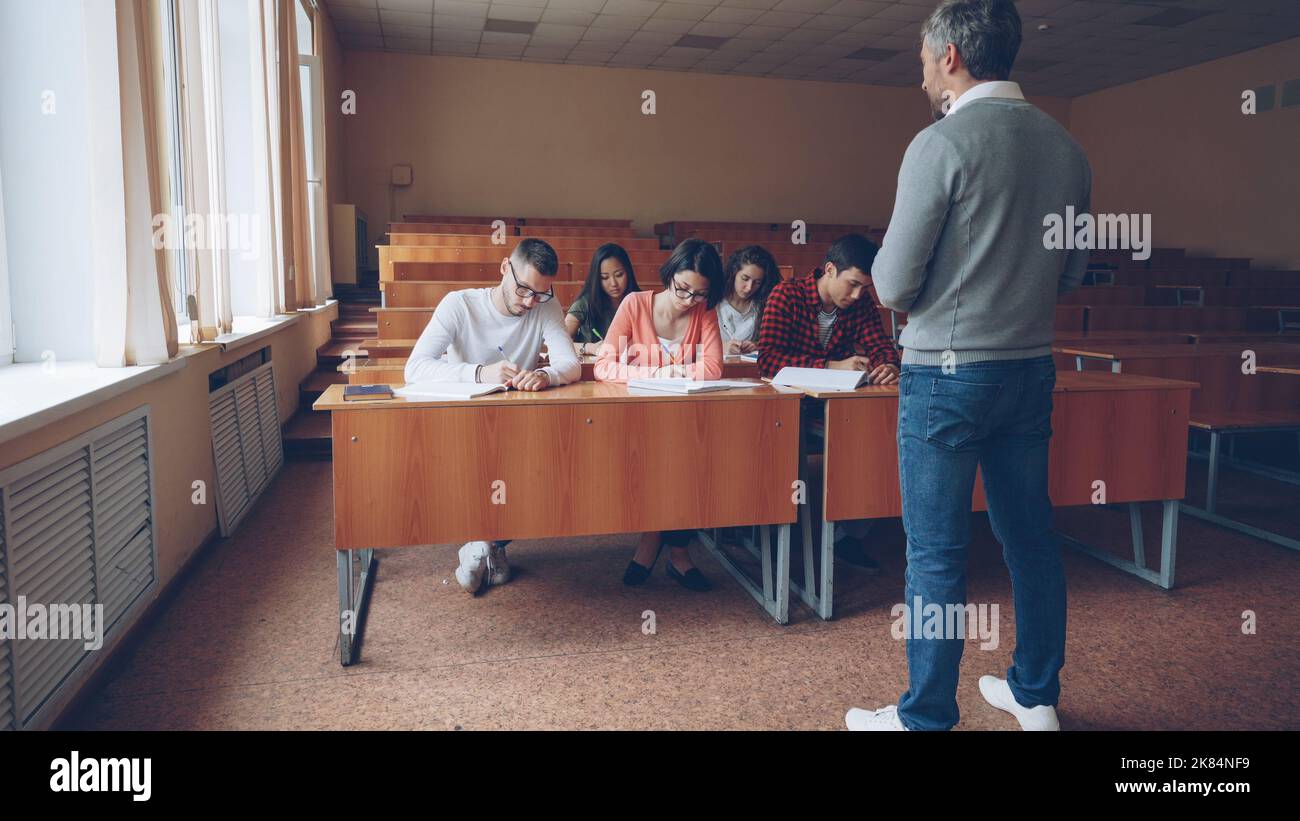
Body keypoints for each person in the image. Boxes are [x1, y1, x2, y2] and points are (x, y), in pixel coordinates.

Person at [845, 0, 1091, 732]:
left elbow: (889, 284)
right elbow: (1072, 275)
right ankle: (1036, 695)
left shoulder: (939, 143)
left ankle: (926, 717)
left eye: (924, 57)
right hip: (1029, 371)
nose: (921, 70)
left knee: (937, 555)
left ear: (950, 54)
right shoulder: (1067, 149)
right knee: (1031, 538)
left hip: (945, 376)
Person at [404, 238, 582, 595]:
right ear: (504, 267)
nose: (529, 301)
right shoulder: (460, 304)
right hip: (463, 421)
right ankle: (487, 544)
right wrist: (479, 373)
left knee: (535, 472)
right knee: (488, 468)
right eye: (523, 290)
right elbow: (415, 369)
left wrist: (546, 375)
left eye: (540, 294)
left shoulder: (543, 306)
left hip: (517, 424)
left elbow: (570, 364)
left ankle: (485, 545)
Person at [758, 233, 900, 571]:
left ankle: (849, 534)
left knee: (877, 439)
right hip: (788, 409)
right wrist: (830, 366)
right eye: (852, 284)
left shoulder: (860, 305)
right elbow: (770, 363)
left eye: (864, 288)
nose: (856, 295)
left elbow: (880, 345)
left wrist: (887, 365)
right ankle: (783, 531)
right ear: (830, 270)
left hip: (834, 408)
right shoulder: (786, 295)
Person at [594, 238, 725, 591]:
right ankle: (659, 543)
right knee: (657, 462)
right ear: (669, 275)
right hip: (637, 420)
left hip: (684, 422)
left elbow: (713, 368)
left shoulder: (705, 311)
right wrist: (659, 374)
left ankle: (672, 550)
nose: (688, 301)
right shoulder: (635, 305)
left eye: (698, 294)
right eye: (682, 289)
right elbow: (604, 365)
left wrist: (672, 374)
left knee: (687, 462)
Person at [566, 243, 641, 356]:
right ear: (596, 278)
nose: (613, 283)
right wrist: (588, 348)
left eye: (619, 275)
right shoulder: (584, 304)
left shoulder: (640, 302)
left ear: (628, 272)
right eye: (604, 277)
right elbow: (560, 342)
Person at [719, 245, 780, 355]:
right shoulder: (714, 301)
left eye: (757, 282)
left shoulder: (763, 305)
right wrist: (721, 347)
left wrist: (757, 346)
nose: (749, 288)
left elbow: (776, 343)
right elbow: (689, 346)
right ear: (734, 272)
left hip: (746, 368)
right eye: (745, 279)